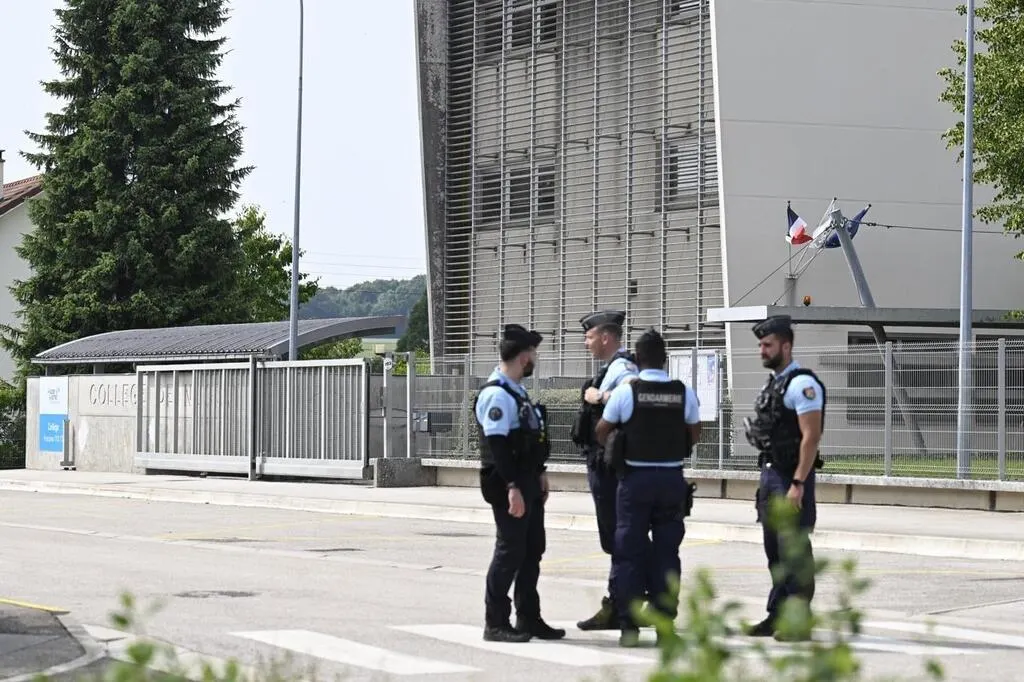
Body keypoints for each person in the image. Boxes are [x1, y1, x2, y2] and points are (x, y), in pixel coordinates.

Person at [594, 328, 701, 647]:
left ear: (637, 359)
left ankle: (629, 627)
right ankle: (665, 626)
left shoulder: (628, 391)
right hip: (670, 480)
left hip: (635, 481)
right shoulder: (684, 392)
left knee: (628, 551)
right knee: (668, 553)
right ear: (665, 359)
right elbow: (695, 434)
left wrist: (620, 445)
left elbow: (602, 430)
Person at [473, 323, 566, 643]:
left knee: (531, 549)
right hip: (507, 482)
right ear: (524, 357)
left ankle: (528, 617)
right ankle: (495, 621)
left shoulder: (516, 391)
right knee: (510, 551)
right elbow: (499, 447)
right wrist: (513, 487)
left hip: (526, 480)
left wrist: (538, 472)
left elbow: (527, 438)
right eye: (534, 354)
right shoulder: (497, 394)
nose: (535, 359)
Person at [742, 315, 825, 641]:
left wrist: (798, 483)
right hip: (771, 474)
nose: (762, 350)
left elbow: (811, 437)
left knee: (794, 552)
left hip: (791, 478)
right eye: (761, 345)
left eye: (768, 345)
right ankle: (777, 615)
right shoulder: (775, 383)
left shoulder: (803, 385)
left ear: (786, 346)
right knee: (774, 551)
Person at [570, 310, 645, 631]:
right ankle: (622, 600)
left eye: (589, 337)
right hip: (602, 463)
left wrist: (600, 396)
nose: (586, 343)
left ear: (605, 337)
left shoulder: (622, 367)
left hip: (611, 466)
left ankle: (624, 602)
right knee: (614, 537)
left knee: (620, 537)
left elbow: (634, 389)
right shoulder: (609, 367)